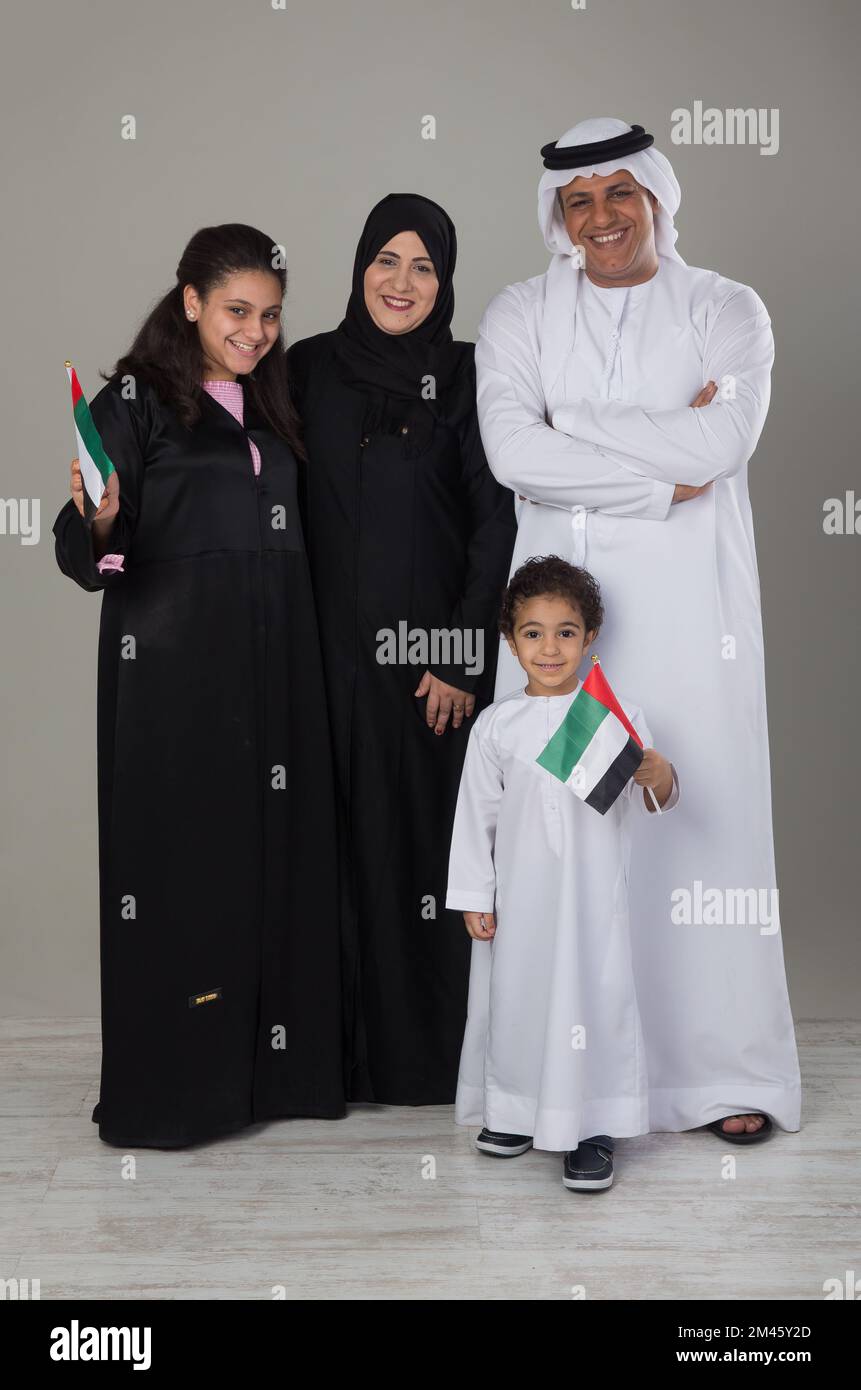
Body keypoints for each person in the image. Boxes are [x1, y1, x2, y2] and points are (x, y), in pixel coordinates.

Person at [474, 117, 802, 1143]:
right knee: (562, 822)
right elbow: (509, 452)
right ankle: (553, 1085)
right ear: (558, 217)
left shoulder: (727, 310)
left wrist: (572, 429)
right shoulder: (519, 311)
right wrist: (667, 464)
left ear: (657, 197)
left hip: (692, 613)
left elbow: (724, 440)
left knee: (699, 818)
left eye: (622, 194)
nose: (603, 217)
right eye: (581, 201)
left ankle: (722, 1074)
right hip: (555, 629)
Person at [54, 224, 346, 1148]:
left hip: (277, 671)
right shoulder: (131, 404)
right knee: (184, 878)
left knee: (272, 862)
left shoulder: (274, 400)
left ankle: (270, 1081)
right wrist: (97, 519)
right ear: (189, 301)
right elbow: (82, 551)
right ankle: (178, 1093)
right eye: (235, 311)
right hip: (175, 679)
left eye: (268, 315)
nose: (255, 331)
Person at [287, 194, 516, 1104]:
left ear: (445, 280)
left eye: (424, 266)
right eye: (386, 258)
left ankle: (426, 1064)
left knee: (423, 852)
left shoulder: (466, 374)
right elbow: (223, 442)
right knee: (326, 849)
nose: (401, 281)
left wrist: (462, 654)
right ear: (358, 267)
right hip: (320, 658)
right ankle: (326, 1063)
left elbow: (496, 520)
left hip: (429, 664)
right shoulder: (307, 368)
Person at [447, 556, 679, 1190]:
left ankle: (591, 1126)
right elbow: (476, 819)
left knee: (594, 1002)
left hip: (593, 901)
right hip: (522, 901)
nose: (550, 648)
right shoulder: (498, 725)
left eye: (566, 631)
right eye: (533, 632)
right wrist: (474, 894)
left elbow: (654, 798)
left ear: (590, 636)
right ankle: (518, 1112)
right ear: (511, 639)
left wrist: (658, 776)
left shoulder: (610, 716)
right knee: (517, 1003)